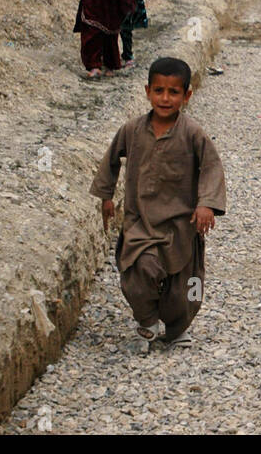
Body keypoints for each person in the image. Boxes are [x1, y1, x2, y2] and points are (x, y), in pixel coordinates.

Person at [90, 57, 227, 348]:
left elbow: (212, 167)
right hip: (140, 220)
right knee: (138, 270)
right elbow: (111, 160)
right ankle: (147, 319)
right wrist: (106, 197)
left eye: (174, 92)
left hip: (182, 224)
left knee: (186, 287)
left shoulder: (192, 134)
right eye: (159, 91)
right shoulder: (132, 130)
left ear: (187, 95)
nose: (165, 98)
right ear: (147, 91)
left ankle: (177, 329)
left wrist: (207, 205)